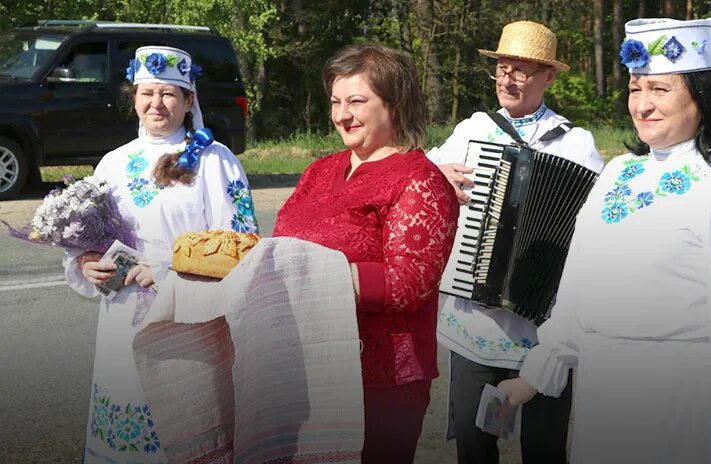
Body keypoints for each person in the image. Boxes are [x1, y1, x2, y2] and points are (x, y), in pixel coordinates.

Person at [498, 18, 711, 464]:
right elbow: (580, 288)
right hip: (604, 397)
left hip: (681, 402)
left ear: (702, 97)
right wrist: (536, 374)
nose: (642, 105)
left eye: (659, 90)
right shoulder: (618, 173)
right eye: (636, 89)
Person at [63, 45, 257, 463]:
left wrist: (170, 272)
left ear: (189, 102)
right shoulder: (112, 164)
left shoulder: (215, 161)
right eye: (147, 93)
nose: (157, 103)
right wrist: (84, 262)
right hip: (121, 321)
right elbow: (86, 240)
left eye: (169, 93)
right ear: (133, 98)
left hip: (187, 318)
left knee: (183, 430)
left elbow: (242, 248)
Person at [426, 21, 603, 464]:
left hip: (545, 329)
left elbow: (597, 231)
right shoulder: (472, 130)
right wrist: (437, 177)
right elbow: (417, 184)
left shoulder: (576, 143)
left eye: (522, 70)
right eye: (503, 68)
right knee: (475, 446)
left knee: (544, 448)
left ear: (549, 76)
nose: (508, 79)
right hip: (475, 323)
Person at [272, 44, 459, 463]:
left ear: (395, 104)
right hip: (304, 362)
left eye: (357, 101)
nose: (342, 114)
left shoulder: (419, 179)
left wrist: (312, 277)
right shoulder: (321, 170)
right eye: (336, 102)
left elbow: (410, 282)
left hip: (378, 378)